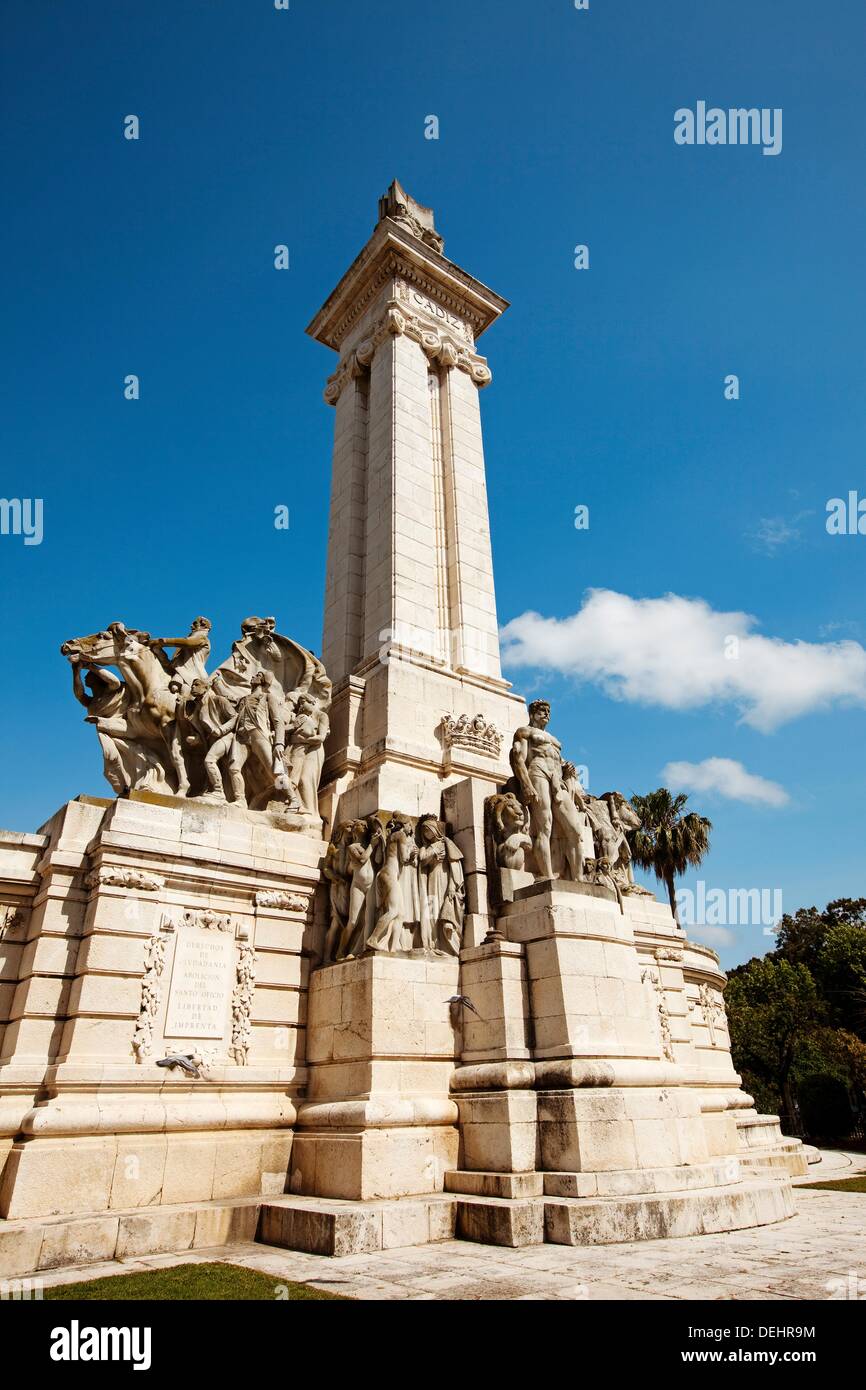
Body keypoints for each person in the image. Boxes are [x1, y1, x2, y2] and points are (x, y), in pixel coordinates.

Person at [509, 700, 582, 880]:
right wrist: (526, 784)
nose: (546, 714)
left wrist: (567, 770)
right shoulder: (525, 732)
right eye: (542, 711)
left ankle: (579, 877)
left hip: (558, 780)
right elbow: (519, 758)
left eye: (548, 711)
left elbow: (559, 761)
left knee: (575, 830)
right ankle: (548, 876)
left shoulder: (555, 740)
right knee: (545, 825)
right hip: (538, 772)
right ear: (532, 714)